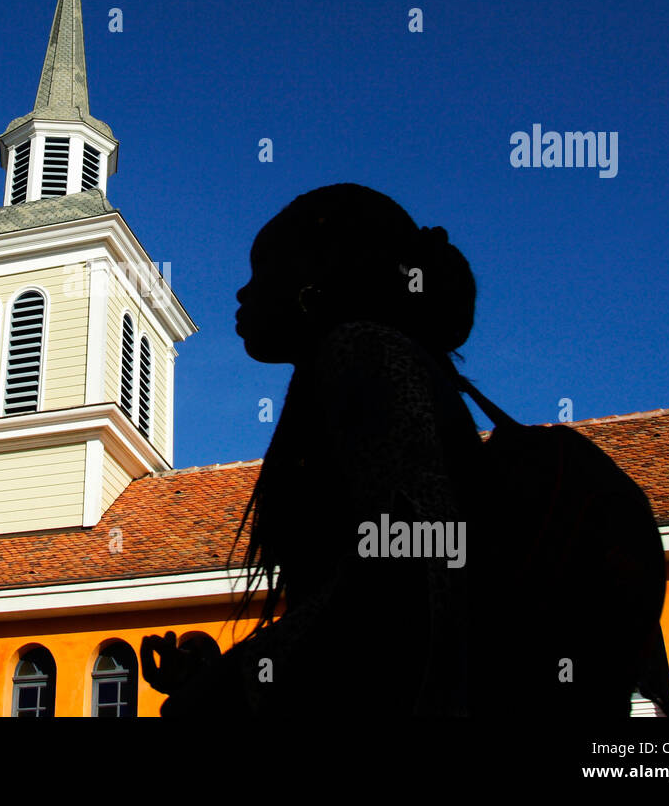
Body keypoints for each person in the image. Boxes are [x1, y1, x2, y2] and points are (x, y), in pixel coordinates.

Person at [141, 183, 482, 716]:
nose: (241, 293)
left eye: (261, 271)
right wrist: (212, 678)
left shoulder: (361, 354)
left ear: (313, 281)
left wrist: (224, 691)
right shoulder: (369, 360)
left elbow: (409, 570)